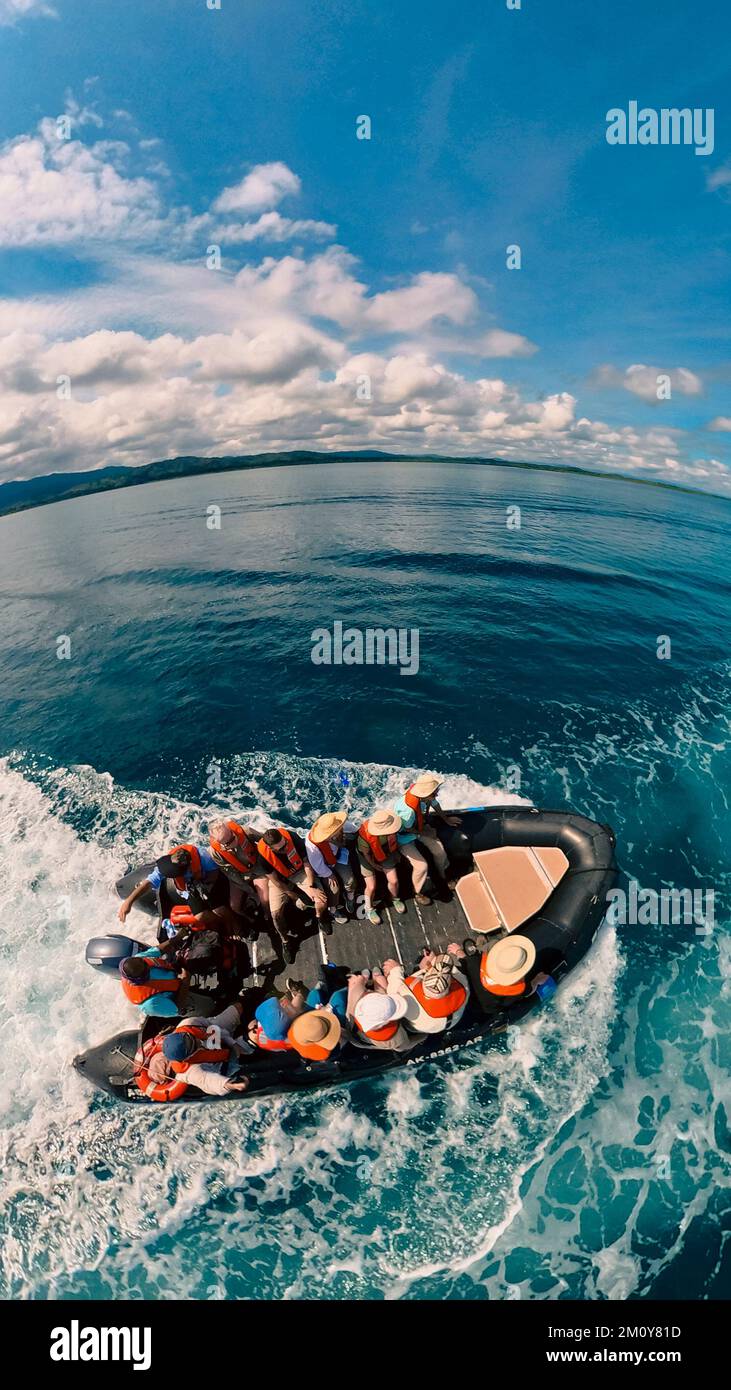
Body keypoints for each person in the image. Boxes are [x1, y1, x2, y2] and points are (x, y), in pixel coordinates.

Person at [137, 1002, 252, 1101]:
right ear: (184, 1058)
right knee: (253, 1038)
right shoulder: (187, 1072)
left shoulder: (188, 1024)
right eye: (193, 1046)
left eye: (190, 1039)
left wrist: (233, 1043)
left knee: (238, 1008)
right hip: (225, 1062)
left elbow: (212, 1026)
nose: (197, 1042)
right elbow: (208, 1081)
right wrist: (229, 1084)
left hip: (219, 1036)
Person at [256, 827, 330, 962]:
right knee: (276, 914)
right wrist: (292, 895)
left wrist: (311, 886)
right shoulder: (263, 857)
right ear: (271, 848)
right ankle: (285, 941)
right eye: (280, 849)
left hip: (298, 871)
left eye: (285, 844)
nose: (285, 849)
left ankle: (321, 917)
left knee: (321, 900)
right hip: (280, 880)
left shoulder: (292, 837)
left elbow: (306, 863)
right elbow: (276, 881)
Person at [117, 843, 225, 924]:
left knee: (221, 910)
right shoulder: (169, 864)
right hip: (191, 889)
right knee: (200, 917)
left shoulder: (204, 857)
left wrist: (205, 888)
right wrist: (129, 901)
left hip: (207, 883)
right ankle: (220, 924)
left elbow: (214, 874)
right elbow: (148, 883)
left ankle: (231, 926)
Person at [393, 774, 462, 901]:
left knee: (440, 852)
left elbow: (435, 804)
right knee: (421, 866)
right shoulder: (407, 811)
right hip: (405, 837)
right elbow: (407, 829)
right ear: (426, 794)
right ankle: (418, 892)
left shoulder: (426, 797)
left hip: (419, 828)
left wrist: (446, 819)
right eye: (434, 792)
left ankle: (443, 876)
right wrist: (425, 833)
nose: (436, 794)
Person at [382, 950, 469, 1035]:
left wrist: (395, 969)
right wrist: (433, 960)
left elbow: (393, 990)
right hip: (450, 1022)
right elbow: (448, 971)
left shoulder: (409, 1000)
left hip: (422, 1025)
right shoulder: (462, 985)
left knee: (408, 1025)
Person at [208, 818, 270, 924]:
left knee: (265, 900)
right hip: (239, 876)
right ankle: (250, 919)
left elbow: (265, 840)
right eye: (228, 843)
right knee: (235, 907)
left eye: (232, 837)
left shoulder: (246, 832)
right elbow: (230, 873)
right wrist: (248, 889)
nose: (233, 843)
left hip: (256, 869)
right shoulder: (214, 852)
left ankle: (268, 916)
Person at [457, 934, 538, 1014]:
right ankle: (481, 947)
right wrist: (537, 980)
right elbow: (528, 991)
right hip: (488, 1008)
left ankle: (480, 948)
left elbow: (466, 960)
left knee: (493, 944)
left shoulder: (474, 963)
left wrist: (458, 951)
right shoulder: (517, 989)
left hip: (474, 995)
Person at [305, 811, 357, 925]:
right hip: (325, 866)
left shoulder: (340, 826)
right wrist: (329, 874)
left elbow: (354, 830)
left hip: (338, 857)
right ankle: (333, 910)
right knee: (334, 889)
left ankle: (350, 896)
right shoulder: (311, 845)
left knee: (350, 881)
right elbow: (318, 866)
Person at [356, 809, 406, 925]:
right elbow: (366, 854)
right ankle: (369, 909)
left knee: (393, 880)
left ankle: (394, 898)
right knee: (371, 886)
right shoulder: (364, 837)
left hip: (385, 853)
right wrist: (375, 865)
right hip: (367, 858)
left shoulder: (392, 830)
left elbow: (393, 843)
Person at [346, 969, 415, 1051]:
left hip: (358, 1026)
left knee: (352, 994)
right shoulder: (395, 1039)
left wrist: (359, 980)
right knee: (380, 981)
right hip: (364, 1027)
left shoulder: (354, 1008)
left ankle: (368, 978)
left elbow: (353, 995)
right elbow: (404, 1046)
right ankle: (376, 978)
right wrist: (422, 1037)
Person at [249, 979, 309, 1051]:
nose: (255, 1029)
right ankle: (300, 993)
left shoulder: (266, 1038)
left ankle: (295, 996)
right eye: (282, 1008)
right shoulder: (299, 1030)